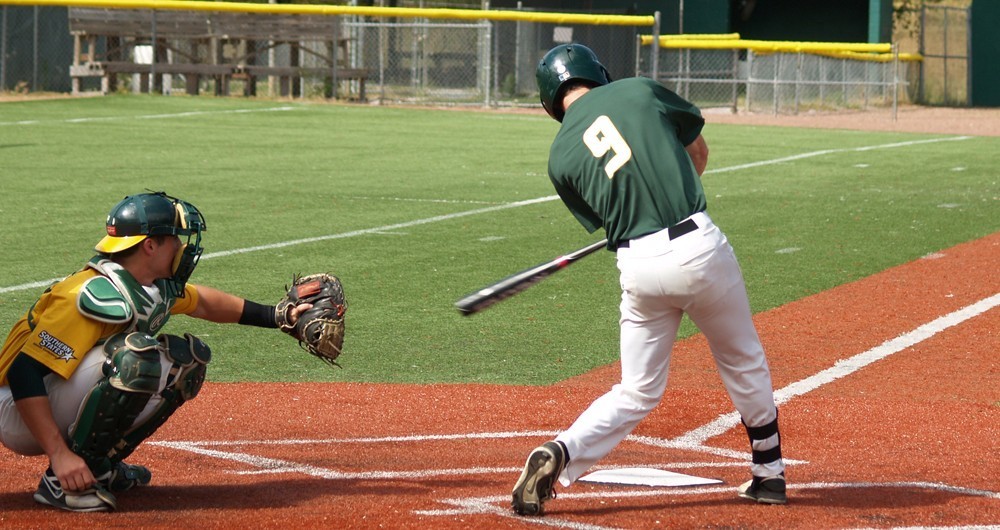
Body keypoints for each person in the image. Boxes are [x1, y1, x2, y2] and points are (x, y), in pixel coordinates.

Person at [511, 44, 787, 516]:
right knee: (741, 358)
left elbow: (608, 211)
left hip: (639, 265)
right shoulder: (637, 89)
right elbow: (697, 150)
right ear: (596, 72)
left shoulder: (559, 156)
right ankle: (768, 474)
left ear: (549, 101)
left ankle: (561, 451)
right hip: (699, 246)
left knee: (636, 390)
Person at [0, 191, 312, 512]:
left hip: (49, 397)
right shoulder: (90, 296)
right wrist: (59, 454)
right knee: (136, 359)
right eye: (175, 239)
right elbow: (23, 372)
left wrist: (278, 316)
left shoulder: (146, 286)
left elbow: (203, 302)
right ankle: (60, 481)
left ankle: (98, 468)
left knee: (183, 362)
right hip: (16, 409)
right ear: (150, 245)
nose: (181, 247)